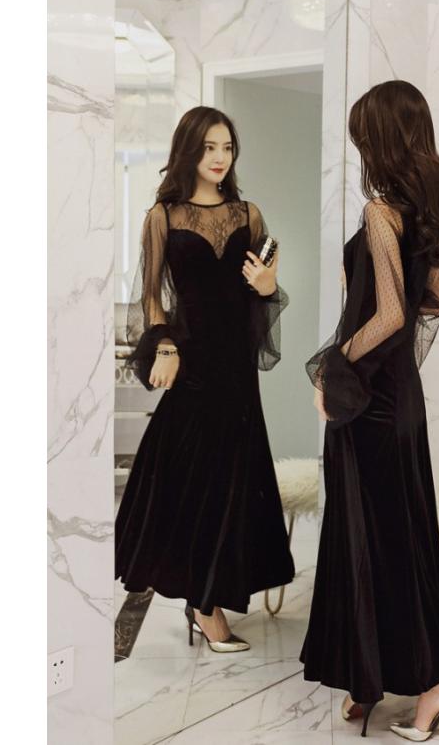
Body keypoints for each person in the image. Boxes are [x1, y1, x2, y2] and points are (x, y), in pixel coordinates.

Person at [300, 81, 439, 739]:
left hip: (371, 405)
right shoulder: (421, 211)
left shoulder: (379, 212)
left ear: (382, 141)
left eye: (364, 137)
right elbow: (433, 301)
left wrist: (333, 365)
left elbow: (394, 314)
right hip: (400, 400)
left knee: (378, 543)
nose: (361, 148)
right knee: (393, 538)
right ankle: (370, 677)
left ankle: (434, 684)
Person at [115, 106, 294, 653]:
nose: (220, 158)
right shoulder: (162, 216)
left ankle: (209, 598)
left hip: (235, 368)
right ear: (188, 150)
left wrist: (267, 286)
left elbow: (262, 293)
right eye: (209, 147)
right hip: (191, 363)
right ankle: (202, 600)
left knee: (233, 479)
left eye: (227, 148)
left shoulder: (249, 214)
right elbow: (150, 295)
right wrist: (165, 346)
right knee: (188, 477)